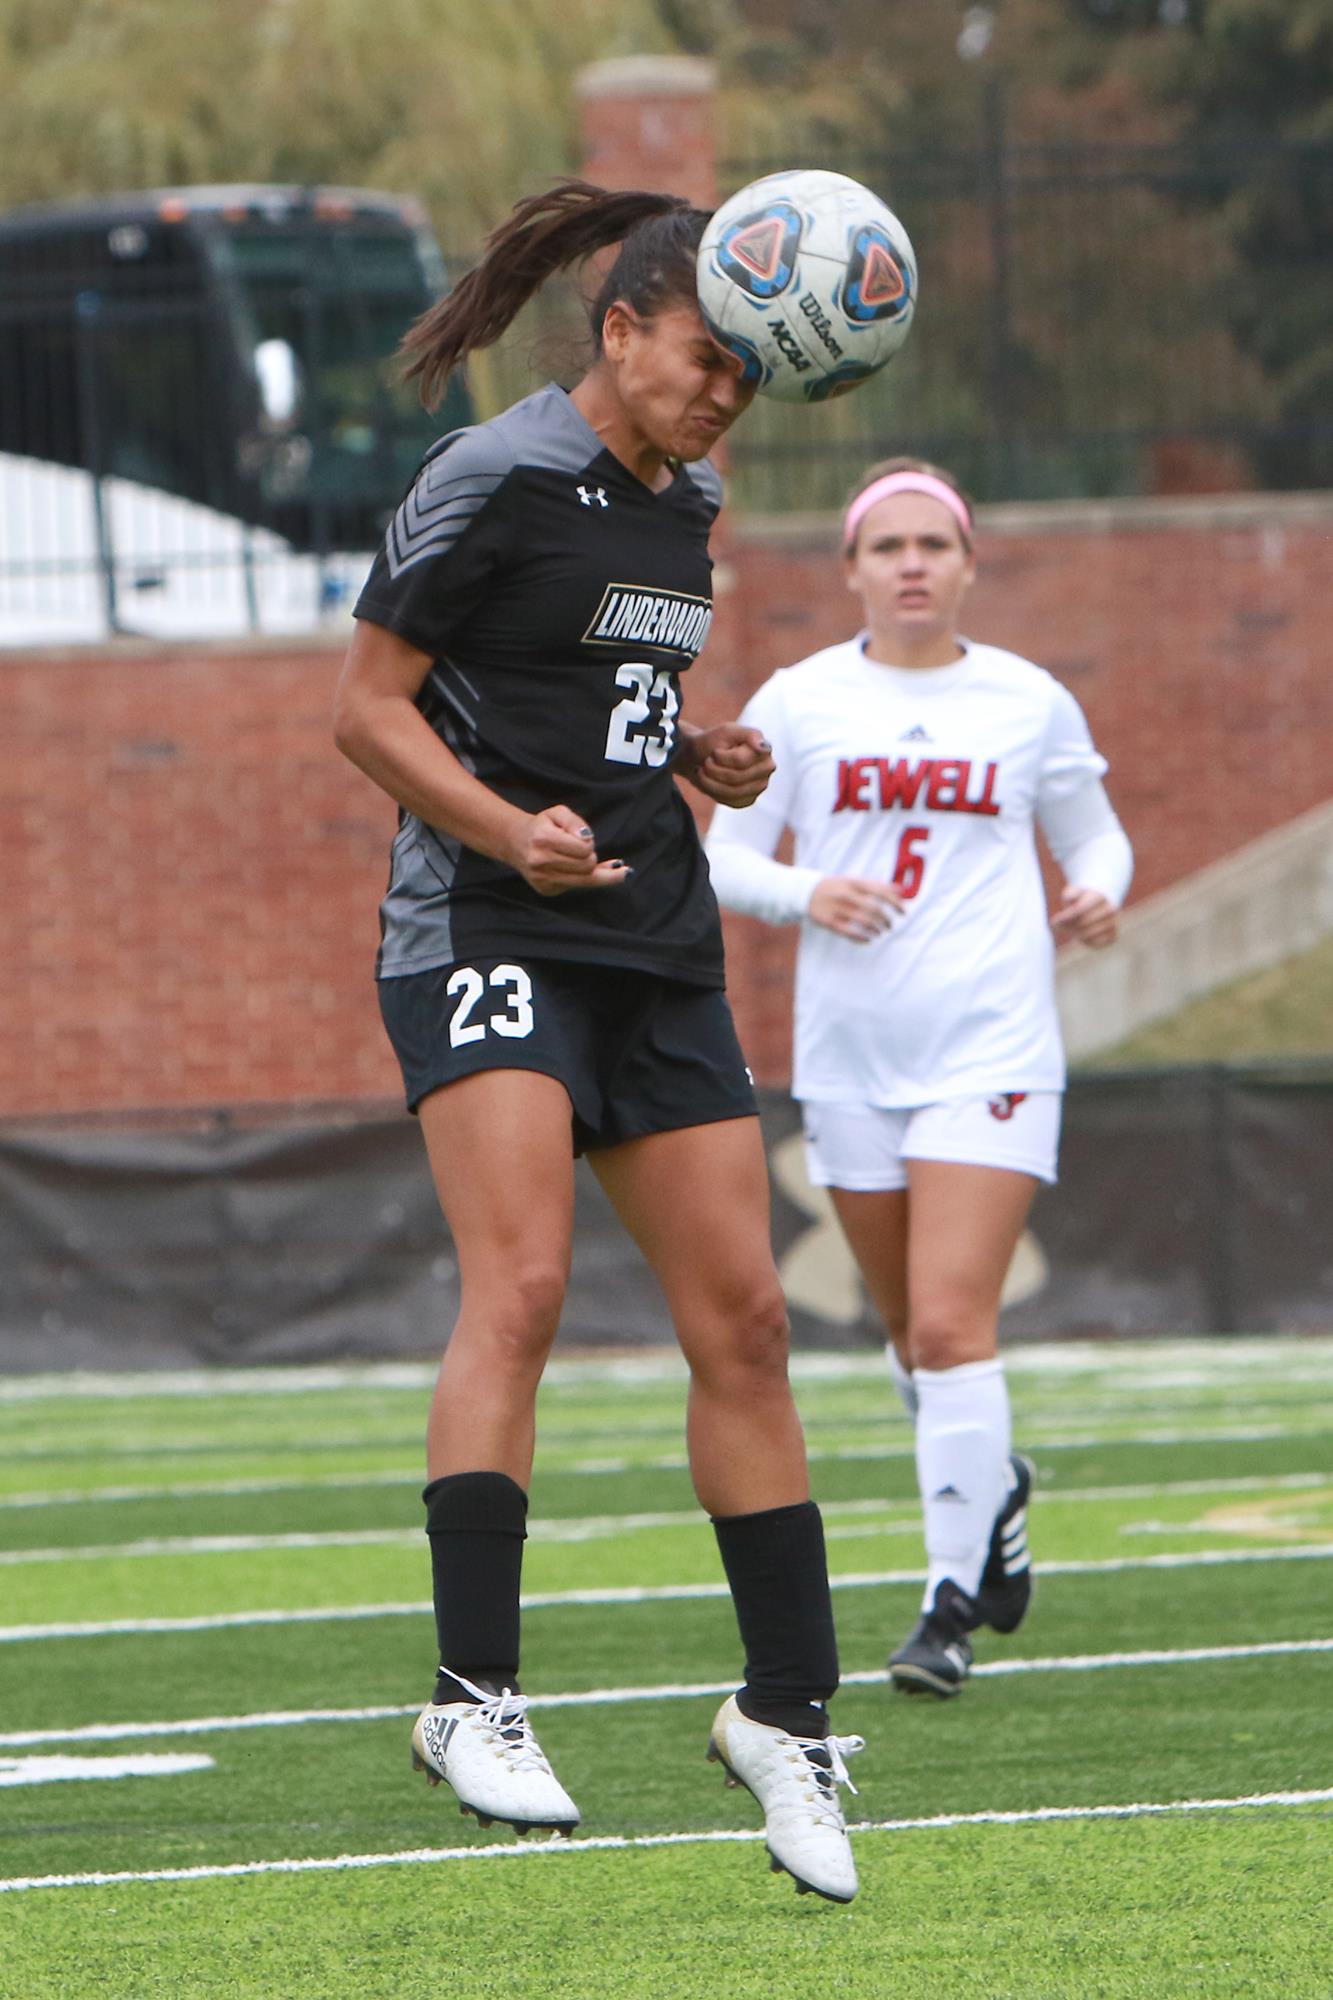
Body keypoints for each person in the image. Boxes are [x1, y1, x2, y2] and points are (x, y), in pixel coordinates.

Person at [332, 180, 864, 1901]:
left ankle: (784, 1716)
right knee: (530, 1290)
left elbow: (602, 685)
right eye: (704, 361)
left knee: (751, 1320)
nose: (722, 401)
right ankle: (470, 1696)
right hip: (488, 927)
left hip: (649, 932)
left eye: (747, 383)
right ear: (619, 328)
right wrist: (504, 831)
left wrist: (697, 753)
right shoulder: (487, 474)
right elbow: (367, 708)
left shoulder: (688, 498)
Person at [704, 457, 1133, 1697]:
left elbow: (1089, 829)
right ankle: (992, 1491)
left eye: (930, 545)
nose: (909, 565)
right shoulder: (800, 699)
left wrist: (1097, 886)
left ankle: (947, 1603)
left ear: (965, 563)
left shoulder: (1025, 699)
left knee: (951, 1324)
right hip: (851, 1059)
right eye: (885, 546)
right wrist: (809, 890)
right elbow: (726, 856)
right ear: (849, 569)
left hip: (993, 1045)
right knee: (909, 1336)